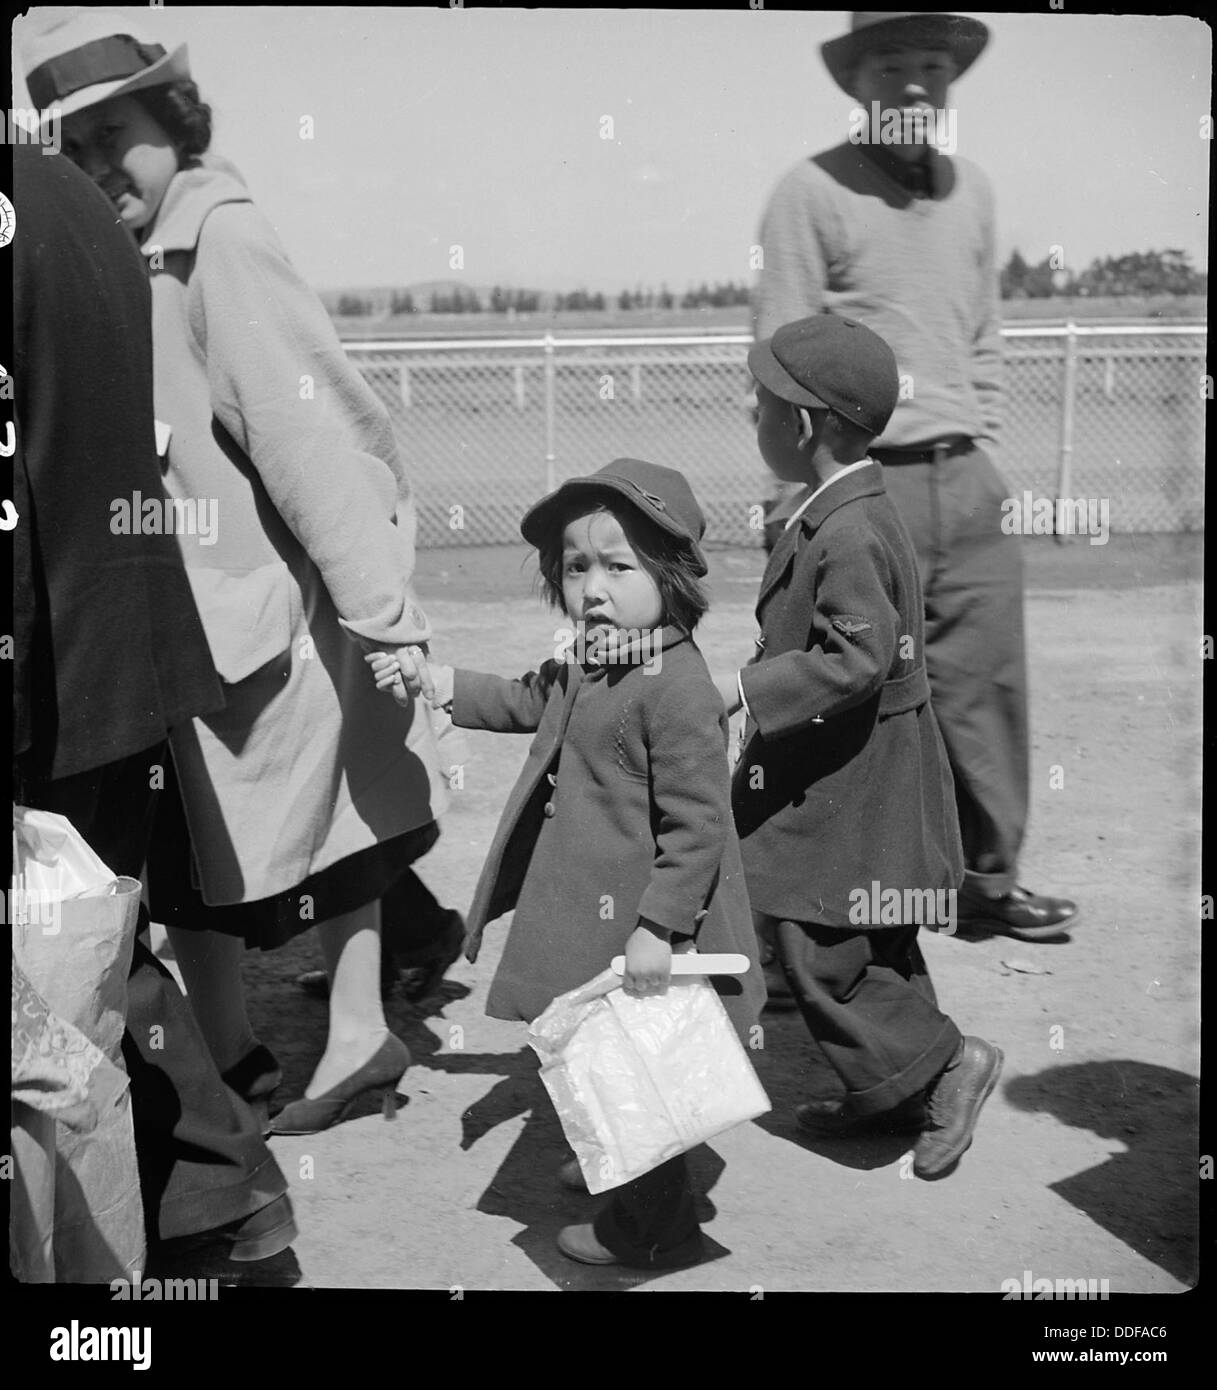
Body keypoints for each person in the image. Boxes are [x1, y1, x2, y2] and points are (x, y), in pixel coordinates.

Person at [22, 8, 456, 1136]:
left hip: (266, 610)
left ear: (176, 120)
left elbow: (311, 435)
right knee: (192, 859)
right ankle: (230, 1054)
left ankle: (360, 1033)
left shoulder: (221, 241)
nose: (102, 166)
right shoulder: (114, 257)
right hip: (175, 620)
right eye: (73, 149)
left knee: (332, 828)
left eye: (120, 133)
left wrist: (382, 613)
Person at [12, 142, 296, 1262]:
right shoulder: (64, 196)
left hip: (51, 684)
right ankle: (222, 1207)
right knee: (101, 965)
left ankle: (201, 1220)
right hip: (106, 670)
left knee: (70, 987)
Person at [373, 460, 764, 1267]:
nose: (593, 586)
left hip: (640, 927)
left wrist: (661, 927)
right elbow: (525, 699)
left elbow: (697, 827)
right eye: (577, 566)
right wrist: (434, 680)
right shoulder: (592, 659)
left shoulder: (676, 688)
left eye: (619, 567)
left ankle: (650, 1232)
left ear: (673, 577)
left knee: (638, 1083)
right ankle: (614, 1172)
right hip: (593, 918)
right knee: (598, 1063)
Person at [752, 11, 1077, 944]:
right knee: (836, 690)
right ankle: (796, 914)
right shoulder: (808, 191)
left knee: (984, 687)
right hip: (859, 481)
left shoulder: (971, 189)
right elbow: (782, 355)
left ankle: (985, 882)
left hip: (963, 477)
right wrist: (799, 498)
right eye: (891, 62)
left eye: (932, 64)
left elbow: (982, 336)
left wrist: (983, 446)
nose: (913, 82)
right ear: (857, 80)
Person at [720, 315, 1002, 1178]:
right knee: (874, 936)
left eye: (761, 403)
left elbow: (855, 655)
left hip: (850, 775)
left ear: (803, 424)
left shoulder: (844, 529)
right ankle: (900, 1092)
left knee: (818, 947)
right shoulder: (848, 509)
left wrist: (746, 690)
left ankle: (951, 1063)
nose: (752, 415)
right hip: (864, 767)